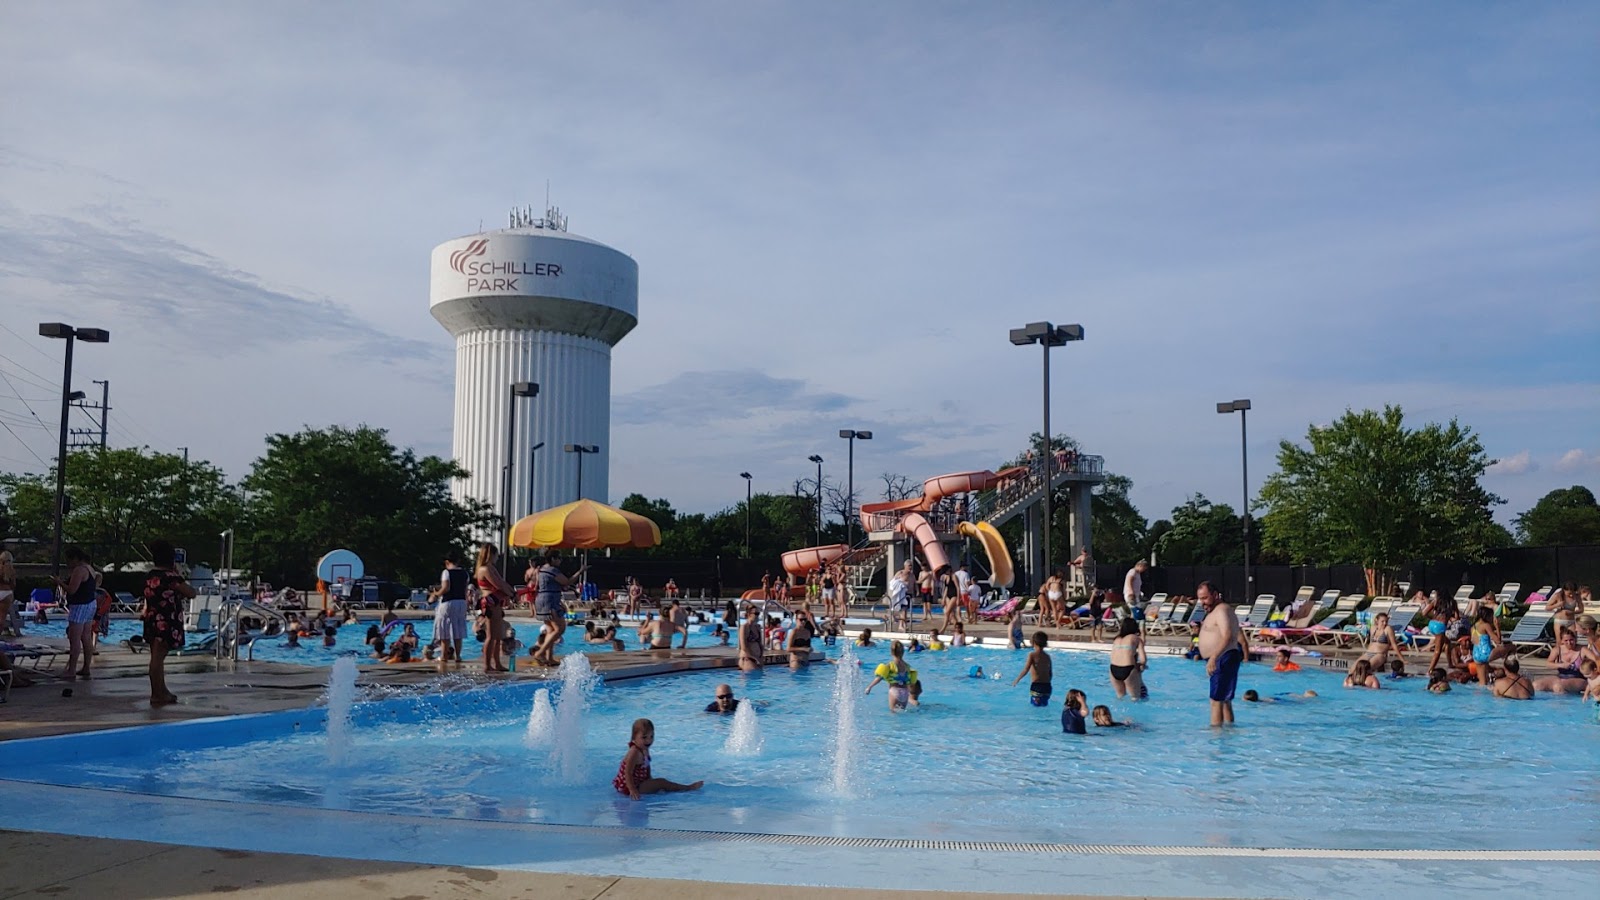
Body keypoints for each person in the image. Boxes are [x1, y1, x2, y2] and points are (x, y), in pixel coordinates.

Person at [138, 540, 194, 705]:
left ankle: (161, 691)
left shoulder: (151, 576)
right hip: (166, 621)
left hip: (153, 620)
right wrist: (178, 574)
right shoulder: (171, 577)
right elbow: (191, 593)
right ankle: (157, 693)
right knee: (157, 659)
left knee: (156, 658)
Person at [612, 718, 703, 800]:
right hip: (630, 786)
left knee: (659, 785)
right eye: (644, 737)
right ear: (633, 738)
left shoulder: (644, 749)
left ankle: (678, 788)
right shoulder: (634, 752)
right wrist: (632, 790)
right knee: (662, 783)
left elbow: (647, 765)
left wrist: (649, 779)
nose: (649, 740)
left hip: (638, 782)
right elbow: (627, 772)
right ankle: (688, 788)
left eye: (651, 736)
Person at [1197, 581, 1247, 727]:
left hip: (1223, 657)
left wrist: (1213, 657)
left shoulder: (1221, 610)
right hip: (1222, 658)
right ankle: (1228, 733)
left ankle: (1216, 736)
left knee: (1216, 701)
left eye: (1205, 598)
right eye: (1200, 599)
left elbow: (1228, 635)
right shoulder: (1215, 611)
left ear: (1215, 595)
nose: (1202, 602)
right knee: (1224, 701)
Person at [530, 550, 585, 668]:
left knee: (550, 629)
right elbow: (568, 581)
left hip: (542, 599)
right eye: (559, 558)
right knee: (559, 629)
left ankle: (549, 658)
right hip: (550, 600)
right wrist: (580, 571)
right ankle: (540, 653)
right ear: (553, 559)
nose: (560, 560)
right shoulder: (552, 570)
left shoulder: (541, 569)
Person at [57, 546, 99, 680]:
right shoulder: (89, 568)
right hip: (90, 603)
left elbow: (72, 590)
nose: (68, 564)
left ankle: (72, 670)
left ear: (75, 558)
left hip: (79, 605)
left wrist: (59, 582)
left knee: (74, 638)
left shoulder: (79, 570)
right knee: (86, 637)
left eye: (69, 561)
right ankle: (86, 667)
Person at [474, 544, 514, 673]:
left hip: (496, 602)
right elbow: (498, 584)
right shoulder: (484, 569)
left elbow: (502, 583)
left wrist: (511, 592)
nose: (497, 557)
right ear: (491, 554)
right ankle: (487, 664)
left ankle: (497, 663)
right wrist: (511, 593)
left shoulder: (491, 568)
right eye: (496, 555)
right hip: (490, 603)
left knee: (498, 635)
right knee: (490, 636)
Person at [429, 551, 471, 673]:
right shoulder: (465, 573)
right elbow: (464, 590)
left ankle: (444, 655)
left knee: (445, 630)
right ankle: (458, 656)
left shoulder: (446, 572)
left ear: (447, 562)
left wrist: (435, 594)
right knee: (458, 629)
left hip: (448, 602)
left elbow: (446, 588)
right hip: (461, 602)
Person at [865, 640, 919, 711]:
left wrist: (869, 687)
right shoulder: (907, 666)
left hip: (895, 691)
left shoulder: (890, 665)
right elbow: (911, 682)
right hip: (905, 692)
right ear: (903, 652)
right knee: (902, 714)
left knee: (893, 714)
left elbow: (879, 677)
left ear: (891, 652)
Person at [1421, 588, 1462, 672]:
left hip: (1432, 624)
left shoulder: (1436, 601)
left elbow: (1424, 613)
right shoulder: (1453, 602)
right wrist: (1449, 618)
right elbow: (1457, 617)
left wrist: (1432, 618)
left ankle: (1450, 664)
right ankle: (1430, 670)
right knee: (1437, 651)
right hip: (1440, 626)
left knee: (1447, 642)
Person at [1108, 618, 1148, 700]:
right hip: (1127, 668)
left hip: (1113, 669)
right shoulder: (1135, 638)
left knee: (1120, 697)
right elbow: (1143, 659)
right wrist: (1141, 666)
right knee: (1135, 697)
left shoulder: (1117, 639)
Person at [1011, 631, 1054, 707]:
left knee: (1036, 707)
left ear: (1033, 642)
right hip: (1047, 687)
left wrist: (1017, 679)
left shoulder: (1032, 655)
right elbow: (1050, 673)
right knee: (1044, 705)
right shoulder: (1048, 657)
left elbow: (1026, 669)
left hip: (1036, 686)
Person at [1470, 607, 1509, 686]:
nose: (1492, 618)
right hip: (1486, 654)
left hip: (1476, 655)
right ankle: (1510, 668)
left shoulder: (1473, 627)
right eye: (1491, 616)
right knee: (1511, 646)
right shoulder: (1486, 625)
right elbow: (1498, 641)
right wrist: (1497, 626)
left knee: (1482, 683)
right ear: (1486, 616)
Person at [1546, 582, 1584, 646]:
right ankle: (1560, 654)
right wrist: (1557, 605)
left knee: (1573, 640)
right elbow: (1547, 608)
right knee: (1560, 642)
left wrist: (1572, 612)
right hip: (1559, 621)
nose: (1571, 595)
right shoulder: (1558, 595)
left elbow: (1581, 609)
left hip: (1571, 621)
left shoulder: (1577, 597)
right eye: (1569, 593)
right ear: (1564, 590)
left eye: (1572, 593)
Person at [738, 604, 764, 671]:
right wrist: (753, 658)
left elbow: (760, 643)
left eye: (759, 613)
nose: (758, 616)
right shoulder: (744, 627)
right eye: (756, 613)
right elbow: (744, 647)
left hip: (757, 658)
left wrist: (761, 656)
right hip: (747, 658)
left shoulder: (757, 627)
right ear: (749, 614)